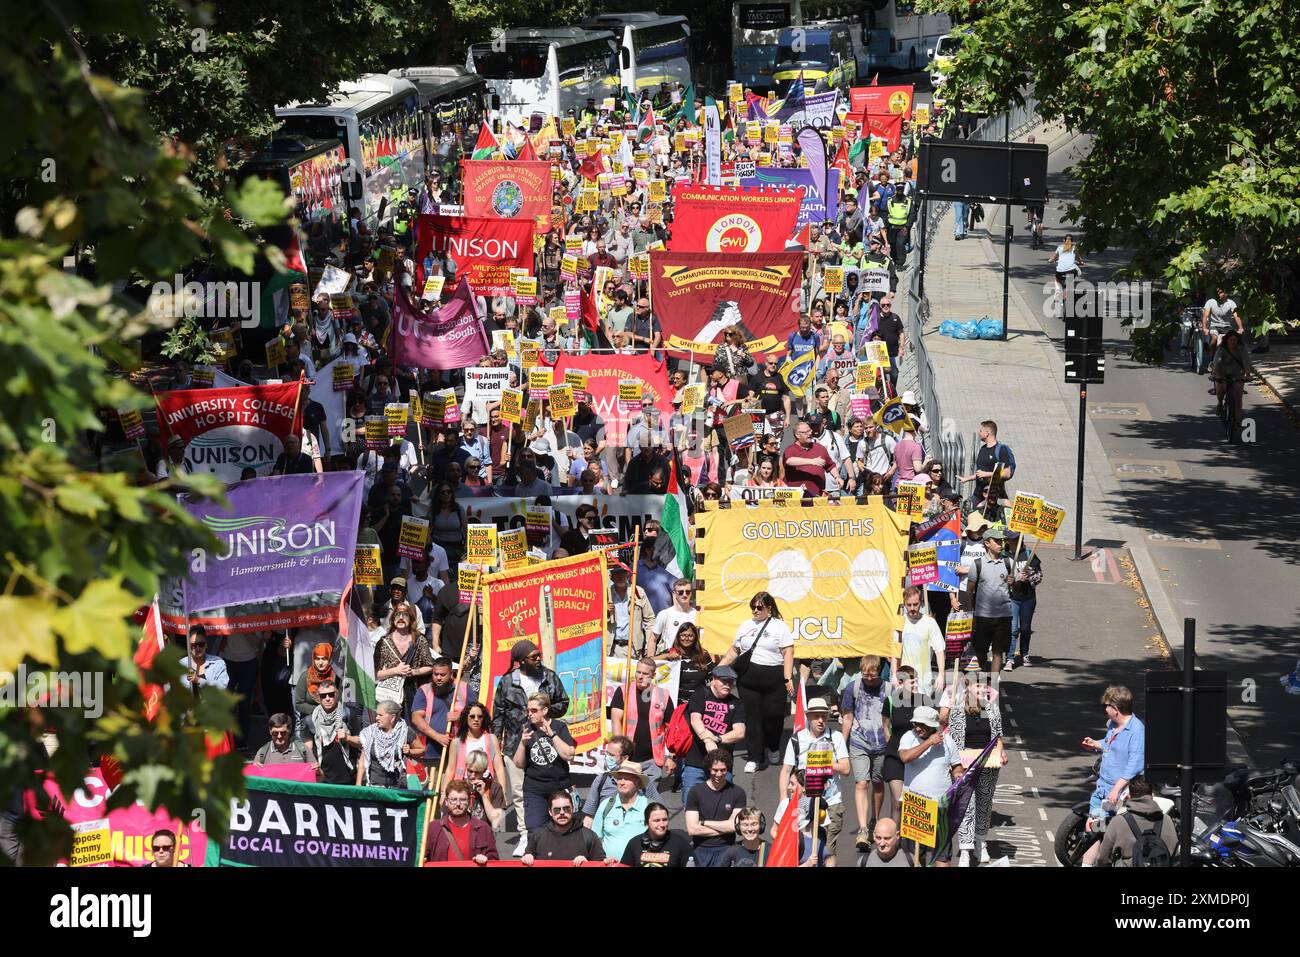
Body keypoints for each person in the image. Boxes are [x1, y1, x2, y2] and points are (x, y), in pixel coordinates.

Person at [492, 640, 570, 854]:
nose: (538, 659)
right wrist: (495, 745)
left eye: (539, 655)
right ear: (520, 661)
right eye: (534, 656)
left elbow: (564, 702)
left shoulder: (549, 676)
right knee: (519, 792)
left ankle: (553, 832)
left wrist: (543, 714)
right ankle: (526, 835)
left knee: (550, 789)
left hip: (545, 741)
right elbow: (498, 714)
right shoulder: (507, 682)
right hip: (515, 743)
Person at [719, 590, 794, 773]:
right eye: (753, 607)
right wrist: (718, 669)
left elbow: (788, 652)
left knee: (773, 717)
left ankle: (773, 745)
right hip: (748, 681)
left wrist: (787, 678)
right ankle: (754, 757)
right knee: (752, 720)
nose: (755, 610)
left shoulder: (779, 626)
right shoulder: (745, 625)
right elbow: (734, 651)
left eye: (759, 607)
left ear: (769, 608)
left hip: (774, 680)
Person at [779, 697, 851, 867]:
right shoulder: (796, 740)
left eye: (824, 716)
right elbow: (786, 770)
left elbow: (846, 769)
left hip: (831, 802)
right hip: (803, 802)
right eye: (816, 716)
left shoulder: (836, 737)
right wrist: (784, 800)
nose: (821, 720)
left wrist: (825, 762)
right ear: (808, 717)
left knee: (827, 849)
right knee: (806, 848)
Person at [945, 675, 1008, 866]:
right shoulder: (957, 711)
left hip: (988, 766)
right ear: (968, 687)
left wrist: (1002, 753)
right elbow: (954, 743)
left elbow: (997, 737)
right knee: (966, 806)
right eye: (977, 686)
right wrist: (955, 766)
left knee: (984, 804)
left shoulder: (992, 709)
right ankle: (965, 849)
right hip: (965, 767)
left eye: (984, 686)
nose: (981, 689)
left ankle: (981, 843)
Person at [1080, 685, 1147, 865]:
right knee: (1095, 831)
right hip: (1102, 791)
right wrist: (1096, 744)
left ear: (1116, 710)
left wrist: (1116, 789)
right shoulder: (1114, 725)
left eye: (1106, 706)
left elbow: (1135, 764)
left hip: (1119, 797)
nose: (1104, 709)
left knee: (1114, 837)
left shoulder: (1137, 731)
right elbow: (1110, 744)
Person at [841, 655, 891, 850]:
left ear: (879, 671)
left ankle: (875, 821)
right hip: (859, 741)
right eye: (865, 675)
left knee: (878, 783)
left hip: (882, 744)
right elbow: (847, 717)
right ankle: (863, 829)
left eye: (872, 675)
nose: (869, 678)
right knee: (862, 782)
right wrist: (841, 745)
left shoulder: (889, 689)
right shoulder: (852, 687)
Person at [513, 691, 577, 841]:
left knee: (563, 831)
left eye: (534, 710)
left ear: (545, 710)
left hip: (559, 787)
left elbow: (569, 754)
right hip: (535, 790)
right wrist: (522, 744)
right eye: (528, 710)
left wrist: (553, 735)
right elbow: (518, 763)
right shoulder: (526, 729)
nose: (529, 714)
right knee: (536, 832)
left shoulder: (559, 727)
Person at [898, 705, 954, 865]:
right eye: (916, 723)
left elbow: (957, 767)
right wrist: (929, 742)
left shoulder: (948, 740)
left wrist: (959, 776)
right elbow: (905, 757)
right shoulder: (908, 737)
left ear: (933, 726)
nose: (918, 728)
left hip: (941, 806)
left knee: (943, 854)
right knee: (914, 856)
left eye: (922, 725)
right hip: (915, 805)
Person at [882, 666, 934, 825]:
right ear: (900, 682)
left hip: (918, 756)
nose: (915, 684)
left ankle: (912, 842)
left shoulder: (924, 700)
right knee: (898, 802)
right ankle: (894, 840)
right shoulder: (890, 701)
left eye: (916, 681)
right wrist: (892, 744)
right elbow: (885, 725)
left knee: (914, 805)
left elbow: (934, 725)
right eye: (912, 682)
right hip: (895, 757)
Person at [683, 666, 747, 794]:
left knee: (722, 802)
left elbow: (740, 732)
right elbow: (695, 720)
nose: (728, 685)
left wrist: (717, 739)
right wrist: (707, 740)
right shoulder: (701, 693)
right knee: (690, 802)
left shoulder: (736, 703)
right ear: (714, 679)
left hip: (722, 765)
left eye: (730, 681)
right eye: (724, 681)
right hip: (696, 762)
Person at [684, 748, 747, 868]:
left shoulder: (738, 792)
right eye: (715, 770)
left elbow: (734, 826)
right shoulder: (695, 792)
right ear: (709, 768)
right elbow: (692, 829)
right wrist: (725, 828)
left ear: (727, 768)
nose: (719, 774)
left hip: (727, 849)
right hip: (700, 849)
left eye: (723, 770)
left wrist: (704, 823)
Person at [1095, 776, 1177, 867]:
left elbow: (1102, 858)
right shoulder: (1166, 820)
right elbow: (1174, 852)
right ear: (1152, 795)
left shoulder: (1118, 822)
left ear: (1129, 795)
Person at [965, 526, 1014, 673]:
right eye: (997, 541)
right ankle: (984, 673)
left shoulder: (1008, 563)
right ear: (987, 543)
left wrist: (1015, 582)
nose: (1000, 544)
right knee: (981, 650)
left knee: (998, 651)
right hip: (983, 616)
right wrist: (970, 613)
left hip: (1003, 615)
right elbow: (969, 590)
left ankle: (993, 683)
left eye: (1001, 541)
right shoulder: (977, 564)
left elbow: (1016, 589)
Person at [374, 600, 433, 717]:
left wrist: (413, 672)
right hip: (389, 697)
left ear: (411, 619)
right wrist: (395, 671)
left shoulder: (420, 640)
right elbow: (375, 674)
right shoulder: (383, 642)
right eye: (397, 615)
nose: (401, 618)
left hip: (412, 693)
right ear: (392, 619)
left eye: (405, 615)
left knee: (410, 730)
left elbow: (430, 666)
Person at [590, 760, 652, 861]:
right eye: (619, 778)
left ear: (638, 782)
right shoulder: (606, 805)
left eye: (627, 779)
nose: (622, 783)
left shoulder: (649, 806)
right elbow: (594, 840)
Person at [521, 791, 605, 865]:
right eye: (557, 810)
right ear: (550, 812)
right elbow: (527, 857)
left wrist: (587, 864)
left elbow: (601, 864)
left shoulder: (589, 836)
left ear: (573, 809)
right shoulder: (538, 835)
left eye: (566, 809)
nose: (562, 812)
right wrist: (527, 857)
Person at [426, 780, 498, 865]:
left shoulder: (483, 828)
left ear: (469, 801)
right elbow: (421, 857)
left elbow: (494, 860)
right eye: (453, 799)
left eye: (463, 799)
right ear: (446, 801)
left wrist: (485, 860)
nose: (458, 804)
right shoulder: (433, 828)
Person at [302, 681, 358, 785]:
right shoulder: (310, 721)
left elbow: (362, 743)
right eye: (323, 696)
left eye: (331, 695)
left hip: (348, 778)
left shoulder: (349, 714)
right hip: (323, 780)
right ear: (318, 698)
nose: (327, 698)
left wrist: (348, 738)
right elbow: (307, 751)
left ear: (336, 695)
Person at [895, 586, 945, 695]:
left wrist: (941, 675)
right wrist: (894, 675)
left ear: (921, 603)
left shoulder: (930, 623)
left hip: (923, 682)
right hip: (904, 680)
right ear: (904, 604)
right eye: (909, 605)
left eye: (915, 604)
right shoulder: (900, 622)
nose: (912, 608)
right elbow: (895, 652)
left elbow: (939, 650)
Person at [1006, 530, 1044, 670]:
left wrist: (1029, 579)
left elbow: (1039, 576)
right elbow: (1000, 576)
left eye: (1015, 540)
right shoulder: (1005, 556)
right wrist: (1009, 580)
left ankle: (1025, 654)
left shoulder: (1029, 555)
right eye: (1010, 540)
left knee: (1026, 628)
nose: (1012, 543)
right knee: (1013, 629)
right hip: (1012, 598)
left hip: (1028, 598)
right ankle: (1009, 657)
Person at [957, 421, 1015, 512]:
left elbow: (1007, 473)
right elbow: (981, 473)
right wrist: (966, 479)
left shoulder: (1001, 449)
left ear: (987, 433)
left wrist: (986, 474)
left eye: (981, 431)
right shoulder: (983, 449)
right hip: (978, 495)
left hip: (994, 497)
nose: (979, 433)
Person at [355, 700, 413, 789]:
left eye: (380, 715)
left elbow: (421, 750)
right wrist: (358, 784)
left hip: (395, 788)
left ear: (392, 717)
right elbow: (363, 760)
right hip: (373, 787)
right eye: (377, 714)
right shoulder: (370, 732)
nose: (377, 718)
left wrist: (410, 751)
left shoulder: (404, 731)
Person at [450, 700, 507, 785]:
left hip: (487, 788)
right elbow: (450, 770)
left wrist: (503, 793)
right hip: (463, 790)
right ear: (466, 718)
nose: (476, 719)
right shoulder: (456, 742)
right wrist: (444, 793)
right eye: (472, 716)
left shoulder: (492, 739)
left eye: (480, 716)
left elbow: (499, 768)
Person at [621, 802, 694, 866]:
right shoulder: (634, 843)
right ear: (647, 822)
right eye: (657, 820)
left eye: (665, 820)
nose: (662, 824)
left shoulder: (680, 843)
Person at [607, 564, 654, 659]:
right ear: (611, 577)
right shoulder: (605, 594)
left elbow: (650, 620)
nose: (620, 576)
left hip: (634, 649)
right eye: (616, 573)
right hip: (611, 650)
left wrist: (649, 645)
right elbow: (594, 623)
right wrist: (604, 612)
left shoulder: (637, 592)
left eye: (622, 573)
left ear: (628, 574)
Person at [782, 421, 835, 496]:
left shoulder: (820, 448)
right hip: (796, 497)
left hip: (817, 495)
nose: (810, 433)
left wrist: (837, 477)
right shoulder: (790, 450)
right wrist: (811, 461)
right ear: (797, 435)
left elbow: (831, 465)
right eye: (805, 432)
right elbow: (789, 461)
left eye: (810, 430)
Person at [650, 578, 696, 656]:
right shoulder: (665, 614)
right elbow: (653, 639)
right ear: (674, 594)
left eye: (687, 592)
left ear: (691, 593)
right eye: (681, 592)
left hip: (692, 660)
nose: (684, 595)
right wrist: (650, 661)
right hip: (669, 661)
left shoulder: (697, 615)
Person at [179, 625, 228, 694]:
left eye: (201, 644)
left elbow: (222, 687)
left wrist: (199, 680)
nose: (198, 648)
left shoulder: (217, 663)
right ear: (188, 646)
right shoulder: (180, 664)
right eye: (194, 645)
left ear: (206, 645)